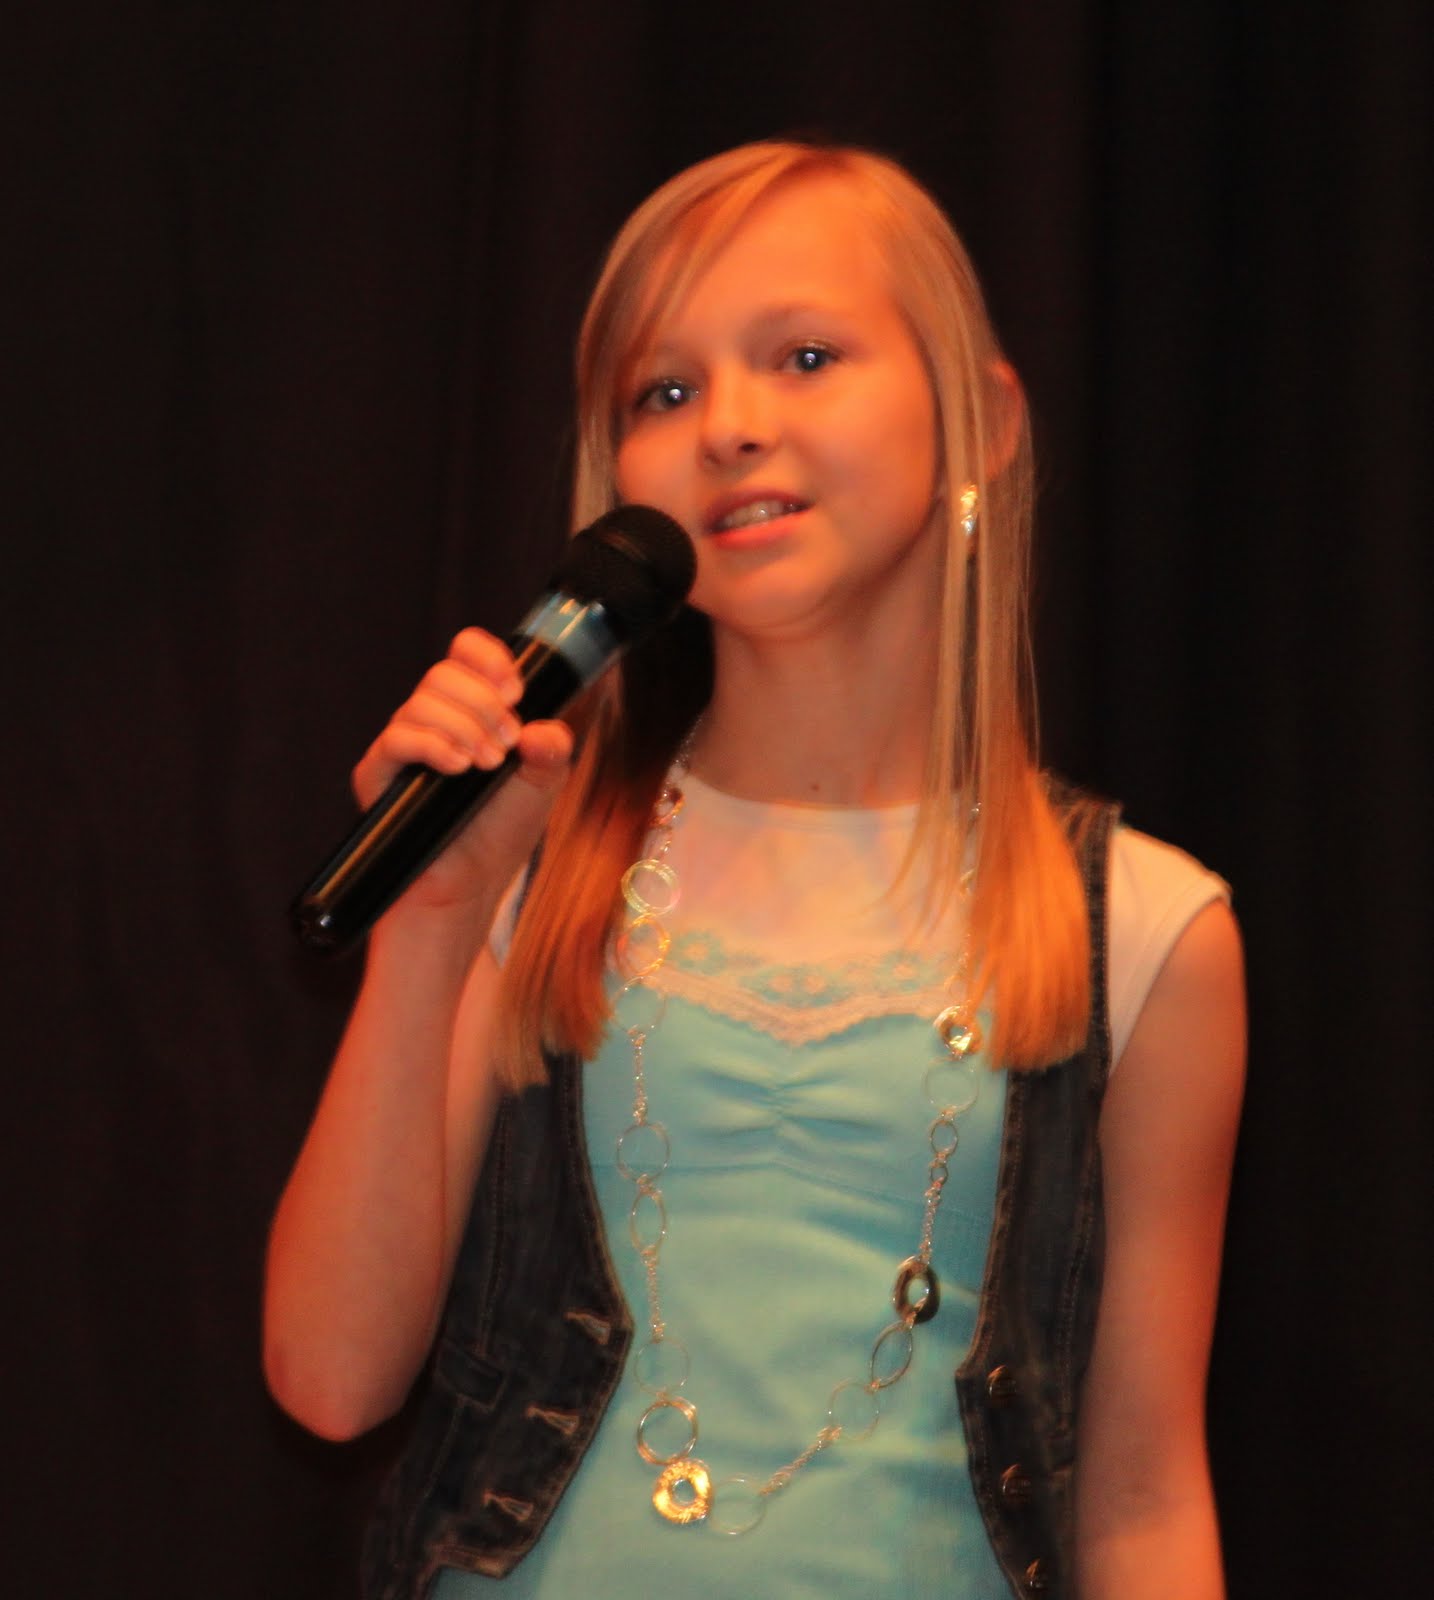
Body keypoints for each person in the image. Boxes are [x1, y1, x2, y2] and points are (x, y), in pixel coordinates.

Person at [264, 141, 1246, 1599]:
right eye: (666, 391)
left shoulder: (1144, 932)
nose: (730, 427)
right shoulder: (534, 870)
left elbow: (1142, 1497)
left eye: (802, 356)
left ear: (974, 422)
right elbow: (332, 1378)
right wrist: (433, 928)